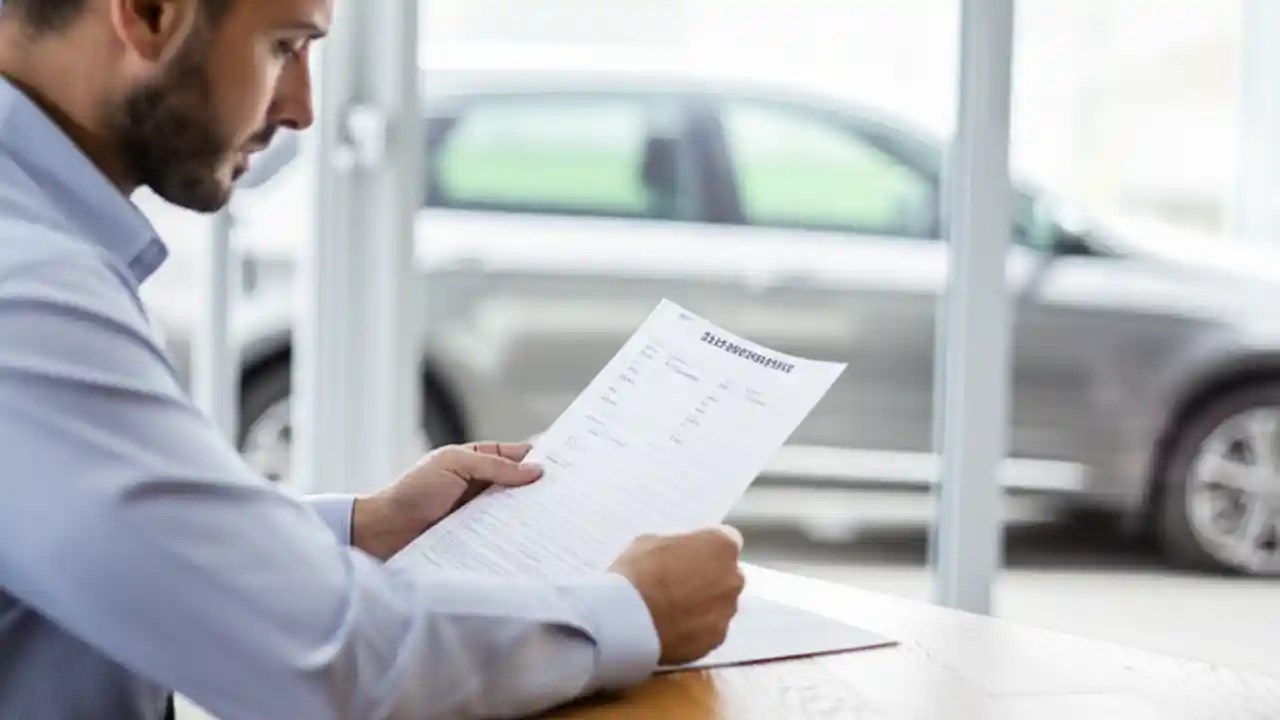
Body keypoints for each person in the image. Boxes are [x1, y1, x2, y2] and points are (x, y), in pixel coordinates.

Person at [0, 0, 746, 718]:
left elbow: (119, 546)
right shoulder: (31, 287)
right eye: (284, 47)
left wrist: (370, 526)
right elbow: (318, 660)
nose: (301, 109)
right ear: (152, 12)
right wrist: (630, 612)